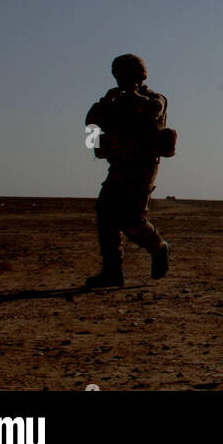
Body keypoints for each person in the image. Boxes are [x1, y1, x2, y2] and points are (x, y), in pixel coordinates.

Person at [84, 54, 173, 287]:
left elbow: (152, 111)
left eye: (123, 73)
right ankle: (112, 272)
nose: (118, 78)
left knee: (131, 218)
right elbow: (92, 120)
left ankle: (158, 247)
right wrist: (106, 101)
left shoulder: (154, 98)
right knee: (105, 214)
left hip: (142, 167)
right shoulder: (116, 101)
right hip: (119, 164)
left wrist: (132, 96)